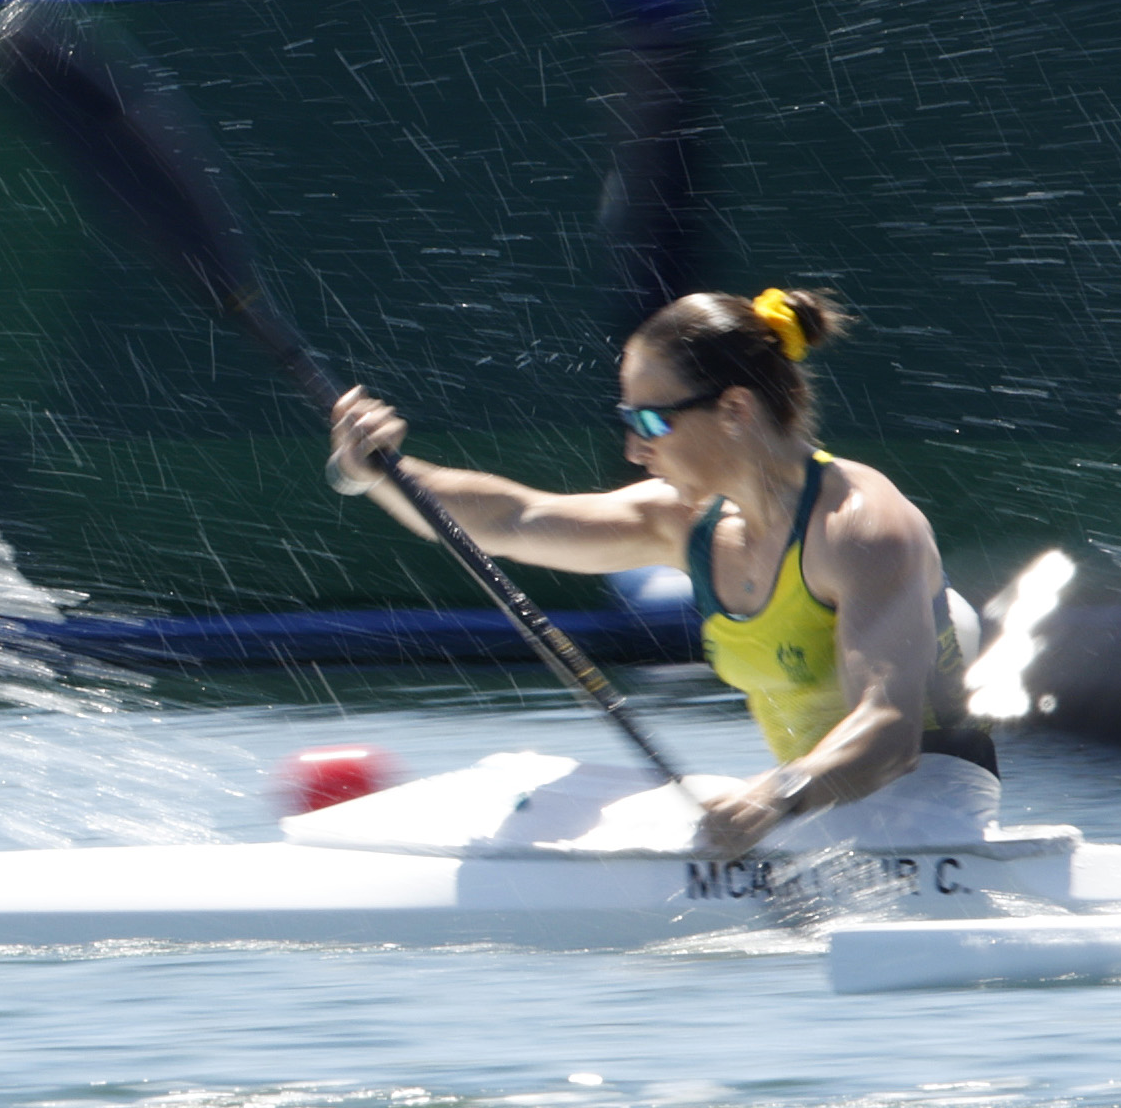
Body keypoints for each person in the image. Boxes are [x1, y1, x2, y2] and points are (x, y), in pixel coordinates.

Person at [325, 282, 985, 858]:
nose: (634, 447)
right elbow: (516, 520)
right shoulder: (688, 519)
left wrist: (773, 798)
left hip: (925, 817)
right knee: (524, 784)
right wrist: (382, 473)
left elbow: (889, 733)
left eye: (650, 419)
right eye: (624, 418)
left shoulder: (861, 527)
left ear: (734, 411)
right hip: (799, 813)